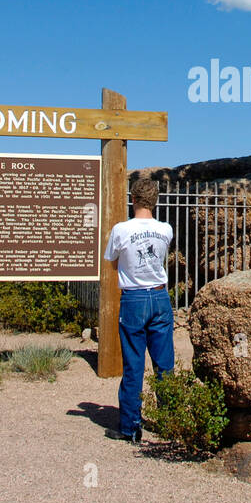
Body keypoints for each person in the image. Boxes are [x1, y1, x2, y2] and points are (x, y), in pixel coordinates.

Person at [102, 178, 174, 443]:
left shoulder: (121, 230)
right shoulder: (165, 230)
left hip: (133, 298)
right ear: (155, 200)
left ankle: (131, 426)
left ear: (133, 199)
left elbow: (111, 262)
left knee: (133, 365)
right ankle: (170, 421)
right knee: (164, 364)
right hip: (159, 296)